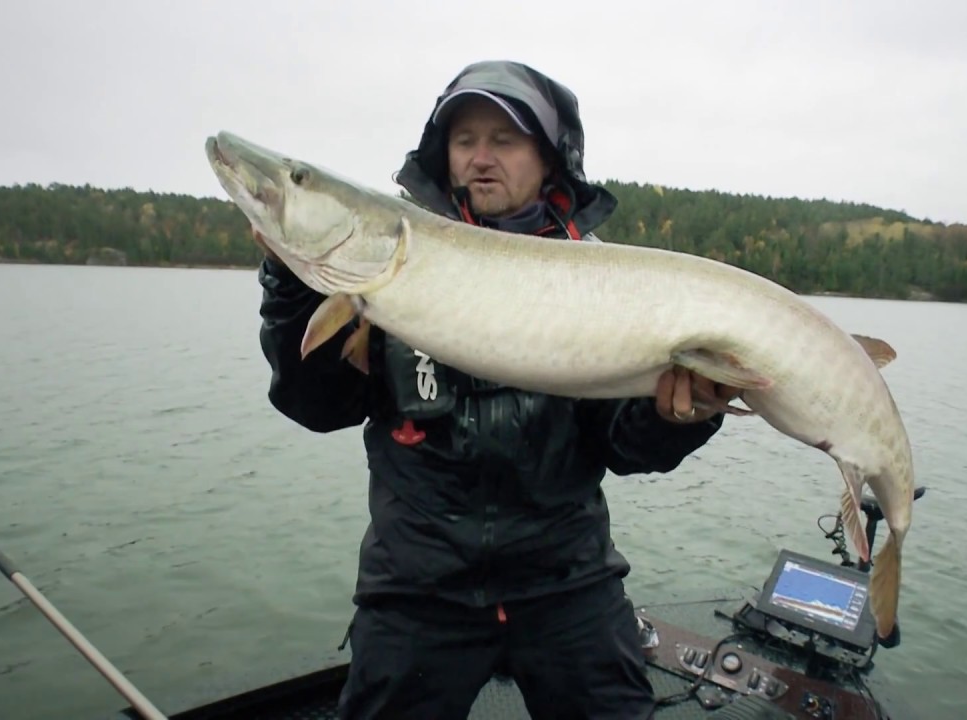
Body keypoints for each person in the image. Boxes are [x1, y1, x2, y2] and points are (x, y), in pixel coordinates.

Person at [253, 60, 738, 719]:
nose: (481, 158)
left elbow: (629, 449)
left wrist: (688, 414)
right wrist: (291, 285)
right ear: (443, 155)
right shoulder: (384, 260)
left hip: (567, 581)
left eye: (504, 140)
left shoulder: (601, 278)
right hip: (418, 588)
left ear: (547, 159)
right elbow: (316, 406)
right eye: (464, 141)